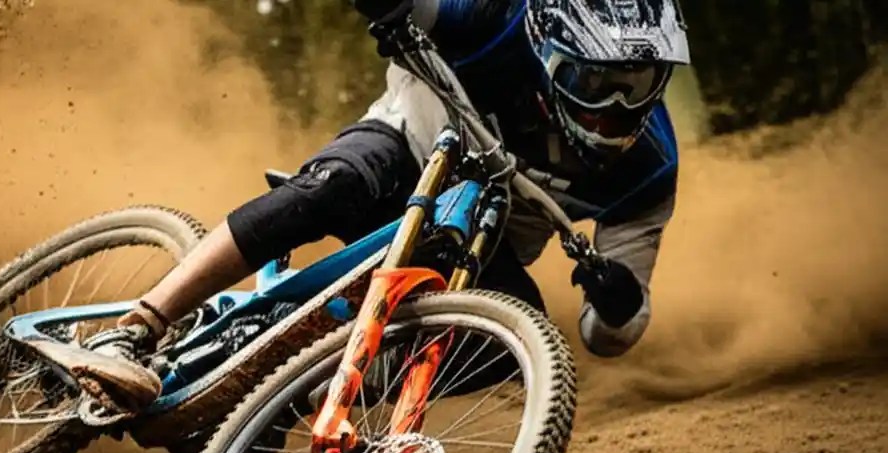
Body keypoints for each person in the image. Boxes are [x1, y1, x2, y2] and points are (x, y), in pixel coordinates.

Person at [39, 0, 692, 413]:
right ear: (549, 51)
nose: (615, 111)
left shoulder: (649, 170)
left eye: (638, 87)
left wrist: (617, 299)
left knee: (519, 338)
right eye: (594, 83)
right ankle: (140, 324)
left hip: (481, 244)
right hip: (407, 148)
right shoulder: (498, 18)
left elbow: (611, 335)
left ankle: (304, 396)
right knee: (330, 190)